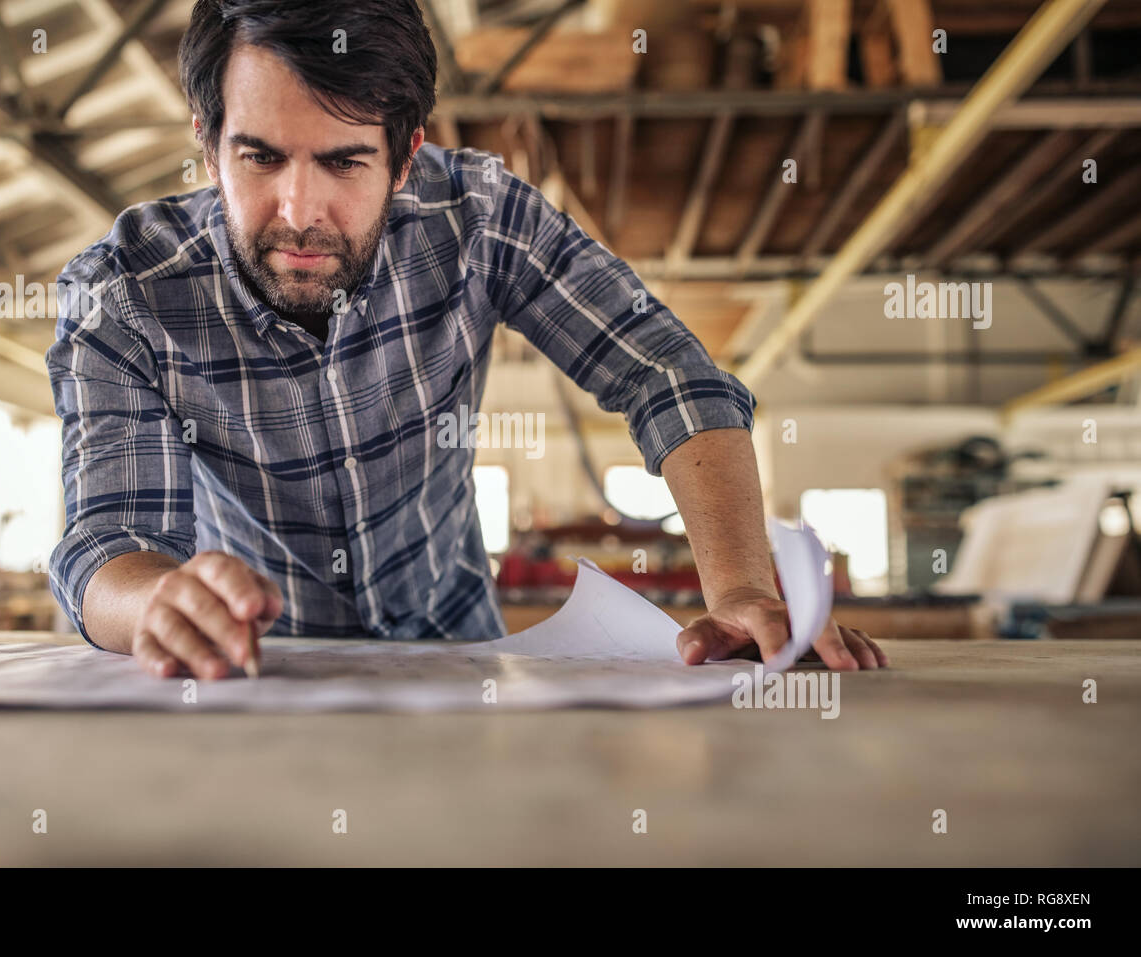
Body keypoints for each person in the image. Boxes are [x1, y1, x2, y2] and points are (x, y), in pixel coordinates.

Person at [46, 0, 887, 679]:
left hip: (460, 649)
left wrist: (740, 585)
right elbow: (107, 546)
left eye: (343, 163)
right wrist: (160, 603)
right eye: (259, 158)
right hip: (258, 666)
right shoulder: (122, 295)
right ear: (206, 141)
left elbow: (667, 375)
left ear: (407, 156)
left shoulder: (479, 218)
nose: (298, 212)